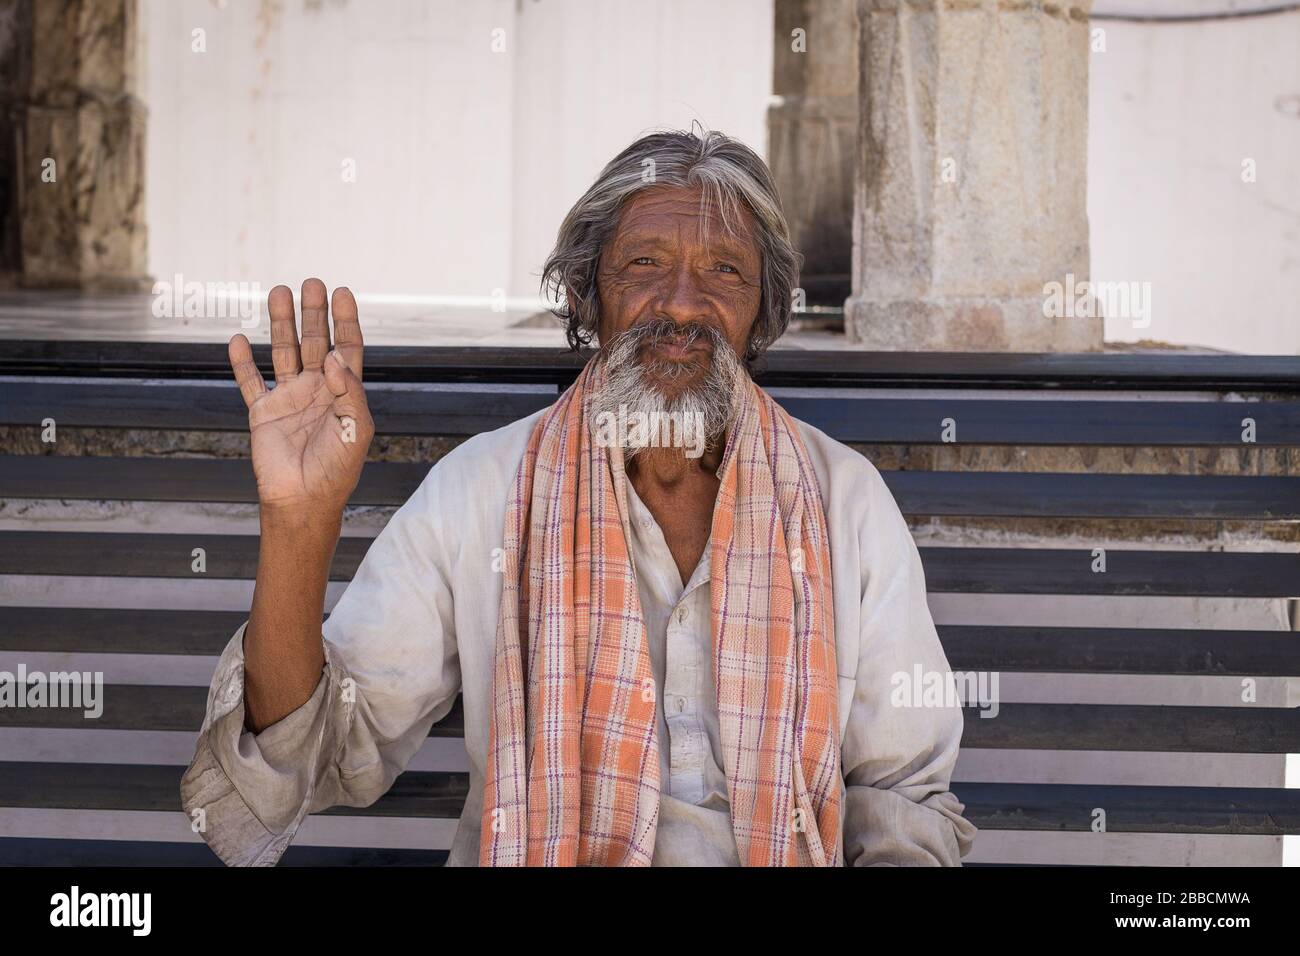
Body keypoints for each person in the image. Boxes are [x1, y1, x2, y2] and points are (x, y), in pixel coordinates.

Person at [180, 128, 977, 867]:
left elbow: (903, 798)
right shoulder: (483, 489)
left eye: (724, 271)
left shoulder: (843, 501)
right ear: (587, 297)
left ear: (761, 312)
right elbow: (305, 758)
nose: (681, 304)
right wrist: (300, 519)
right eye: (643, 265)